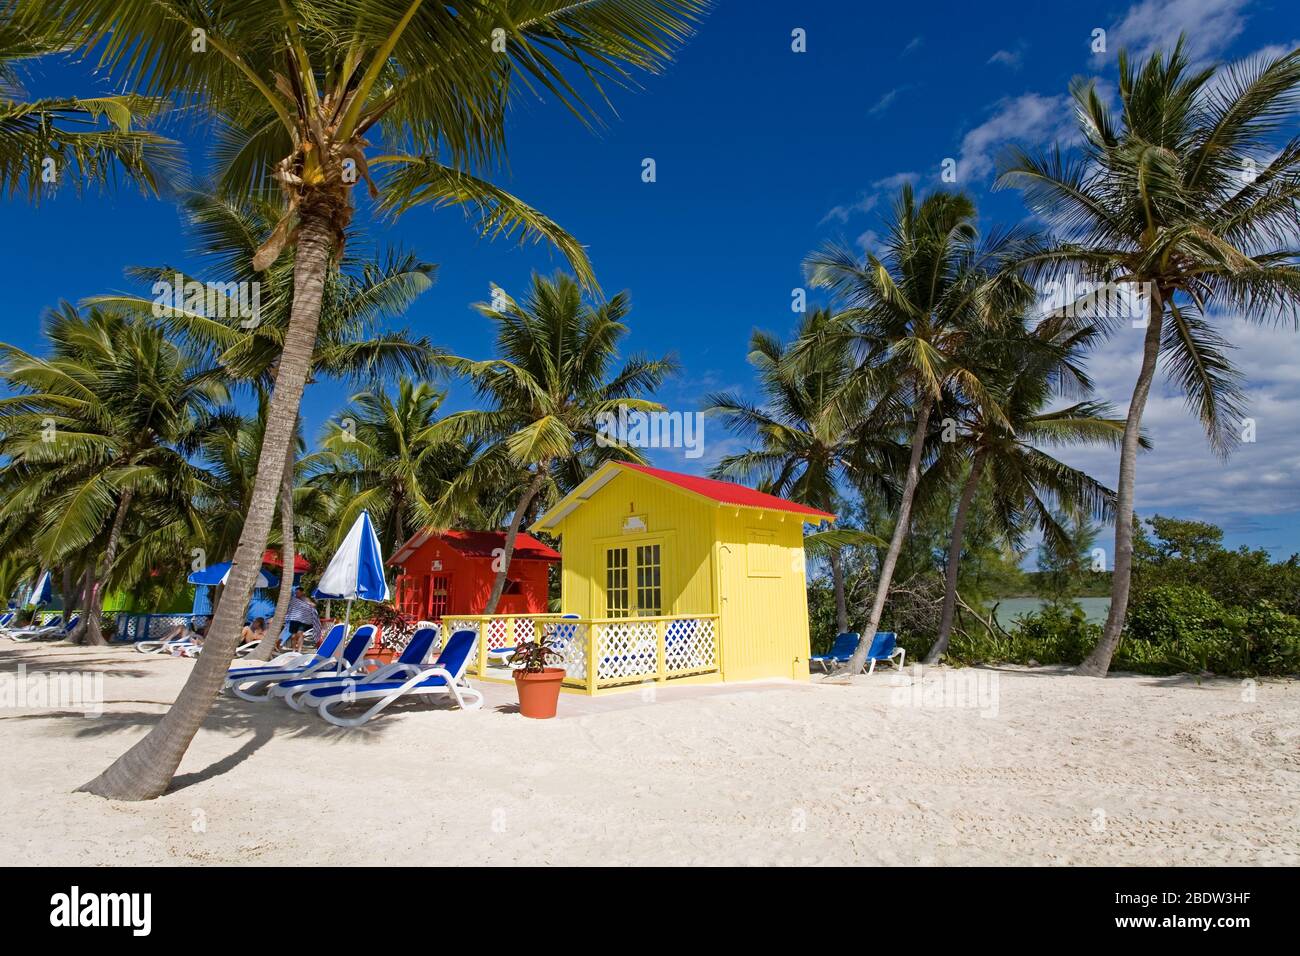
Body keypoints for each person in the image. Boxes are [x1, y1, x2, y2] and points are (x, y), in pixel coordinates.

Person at [284, 587, 322, 653]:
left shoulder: (306, 599)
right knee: (293, 636)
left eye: (298, 592)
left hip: (303, 620)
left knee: (300, 633)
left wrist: (310, 604)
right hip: (294, 619)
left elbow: (314, 605)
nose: (296, 594)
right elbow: (289, 606)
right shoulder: (293, 599)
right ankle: (293, 650)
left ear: (302, 592)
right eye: (296, 593)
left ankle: (299, 650)